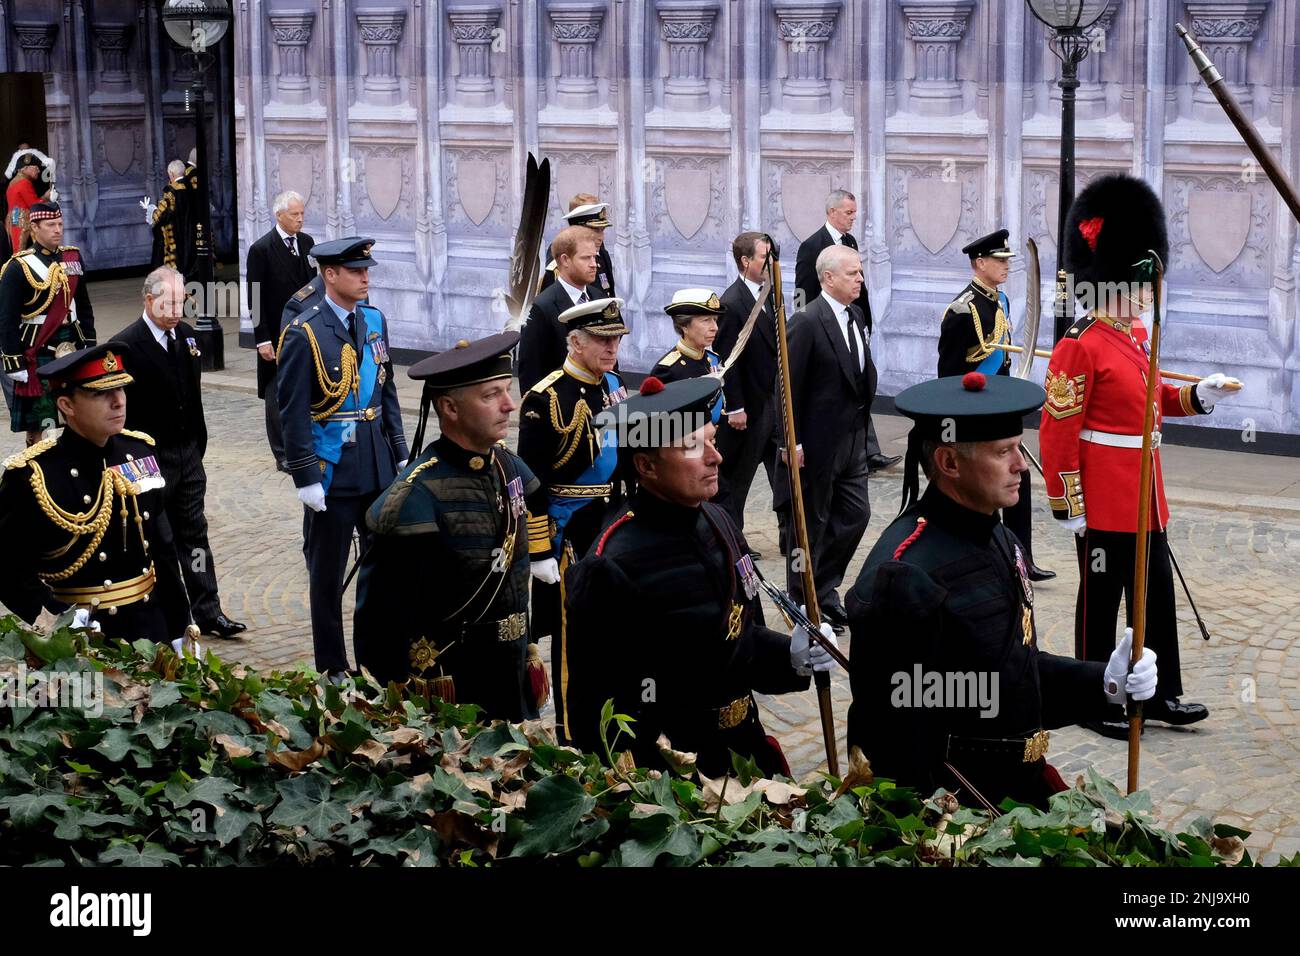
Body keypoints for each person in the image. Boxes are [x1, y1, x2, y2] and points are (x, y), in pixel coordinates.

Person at [846, 372, 1159, 809]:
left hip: (1021, 790)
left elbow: (1012, 673)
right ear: (949, 463)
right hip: (960, 811)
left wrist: (1106, 682)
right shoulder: (904, 575)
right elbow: (893, 736)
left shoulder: (1000, 538)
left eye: (1018, 447)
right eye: (1003, 452)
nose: (1022, 465)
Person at [1039, 174, 1242, 740]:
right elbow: (1057, 430)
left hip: (1146, 499)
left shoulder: (1134, 338)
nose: (1147, 293)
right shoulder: (1079, 343)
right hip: (1102, 502)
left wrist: (1199, 396)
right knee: (1099, 605)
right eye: (1139, 285)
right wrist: (1068, 502)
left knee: (1154, 597)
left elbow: (1151, 405)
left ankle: (1161, 693)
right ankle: (1093, 695)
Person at [564, 376, 837, 775]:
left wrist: (791, 655)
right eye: (694, 446)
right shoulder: (609, 565)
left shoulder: (719, 521)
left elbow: (739, 639)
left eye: (712, 439)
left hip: (745, 753)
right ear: (646, 465)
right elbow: (599, 718)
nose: (716, 457)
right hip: (675, 780)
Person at [353, 331, 550, 720]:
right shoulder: (414, 499)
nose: (510, 405)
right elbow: (378, 625)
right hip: (453, 691)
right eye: (491, 395)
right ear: (450, 408)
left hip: (511, 675)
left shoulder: (511, 469)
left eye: (507, 391)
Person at [0, 343, 198, 653]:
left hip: (150, 632)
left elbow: (163, 552)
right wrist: (60, 618)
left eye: (121, 389)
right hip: (81, 643)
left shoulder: (139, 453)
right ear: (66, 405)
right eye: (100, 394)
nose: (118, 402)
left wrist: (180, 627)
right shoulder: (32, 476)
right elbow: (9, 571)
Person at [276, 237, 408, 678]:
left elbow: (385, 392)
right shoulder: (305, 331)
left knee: (382, 571)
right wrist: (305, 476)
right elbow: (291, 410)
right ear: (329, 275)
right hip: (332, 471)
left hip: (377, 467)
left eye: (367, 269)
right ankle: (332, 663)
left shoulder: (374, 321)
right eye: (355, 271)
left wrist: (401, 453)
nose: (365, 277)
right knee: (327, 575)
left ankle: (378, 655)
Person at [516, 297, 630, 743]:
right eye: (603, 340)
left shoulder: (615, 386)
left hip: (609, 523)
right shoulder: (545, 397)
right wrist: (540, 548)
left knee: (613, 628)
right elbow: (531, 482)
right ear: (576, 342)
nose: (612, 348)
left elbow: (631, 453)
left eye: (616, 339)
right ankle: (569, 733)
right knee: (570, 637)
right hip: (567, 532)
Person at [111, 266, 247, 639]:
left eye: (180, 301)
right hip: (148, 462)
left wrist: (196, 448)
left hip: (188, 457)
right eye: (167, 302)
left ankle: (209, 609)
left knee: (195, 535)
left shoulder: (187, 338)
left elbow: (194, 398)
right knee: (157, 539)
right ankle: (163, 616)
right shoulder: (126, 346)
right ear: (148, 299)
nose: (175, 309)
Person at [937, 228, 1053, 582]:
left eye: (1007, 261)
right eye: (999, 261)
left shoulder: (998, 301)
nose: (1005, 267)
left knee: (1019, 475)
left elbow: (1003, 354)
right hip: (973, 412)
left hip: (1000, 404)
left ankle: (1022, 558)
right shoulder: (962, 309)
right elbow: (948, 373)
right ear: (980, 263)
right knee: (982, 485)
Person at [775, 244, 876, 628]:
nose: (860, 279)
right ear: (828, 278)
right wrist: (791, 441)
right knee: (810, 523)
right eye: (853, 273)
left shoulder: (856, 314)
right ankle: (801, 599)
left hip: (853, 439)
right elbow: (786, 388)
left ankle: (824, 586)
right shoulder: (807, 321)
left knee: (856, 514)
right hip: (814, 445)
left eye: (861, 272)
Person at [794, 189, 898, 474]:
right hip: (824, 327)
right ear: (832, 213)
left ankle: (867, 451)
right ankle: (865, 451)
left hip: (851, 321)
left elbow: (860, 289)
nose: (854, 218)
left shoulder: (849, 242)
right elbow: (801, 291)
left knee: (859, 384)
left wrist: (864, 322)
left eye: (855, 212)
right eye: (849, 213)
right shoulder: (812, 245)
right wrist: (804, 324)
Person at [0, 201, 97, 445]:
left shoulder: (72, 257)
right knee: (43, 424)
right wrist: (15, 362)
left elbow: (84, 307)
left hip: (72, 345)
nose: (58, 229)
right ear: (35, 227)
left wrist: (90, 345)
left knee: (79, 414)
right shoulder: (18, 267)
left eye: (60, 224)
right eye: (51, 224)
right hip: (38, 348)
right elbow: (7, 319)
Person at [713, 232, 779, 538]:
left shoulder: (770, 293)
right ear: (745, 261)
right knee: (738, 479)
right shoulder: (732, 302)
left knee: (785, 476)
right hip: (749, 408)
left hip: (773, 402)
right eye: (765, 257)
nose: (770, 263)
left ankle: (790, 536)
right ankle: (733, 539)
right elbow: (729, 360)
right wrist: (735, 407)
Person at [246, 189, 315, 471]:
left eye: (302, 214)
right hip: (276, 334)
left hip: (306, 330)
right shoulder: (261, 249)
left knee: (306, 388)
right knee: (277, 394)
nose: (300, 219)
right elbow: (255, 297)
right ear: (279, 216)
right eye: (294, 215)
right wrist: (262, 339)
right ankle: (282, 452)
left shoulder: (308, 243)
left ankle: (305, 445)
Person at [516, 225, 605, 393]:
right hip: (561, 407)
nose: (594, 265)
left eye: (595, 257)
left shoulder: (599, 298)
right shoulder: (541, 308)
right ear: (565, 260)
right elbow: (531, 372)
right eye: (586, 258)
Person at [648, 288, 725, 424]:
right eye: (706, 320)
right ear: (684, 326)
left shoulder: (713, 359)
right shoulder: (667, 370)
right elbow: (657, 426)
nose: (715, 327)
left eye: (715, 320)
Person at [537, 195, 615, 299]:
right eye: (595, 230)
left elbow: (610, 294)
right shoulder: (561, 251)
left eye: (602, 230)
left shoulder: (601, 251)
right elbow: (556, 301)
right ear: (577, 228)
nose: (601, 237)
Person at [145, 159, 188, 270]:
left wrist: (151, 210)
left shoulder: (172, 192)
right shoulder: (192, 187)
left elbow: (161, 216)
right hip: (189, 233)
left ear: (172, 174)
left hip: (175, 235)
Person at [5, 149, 49, 253]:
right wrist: (47, 197)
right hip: (23, 223)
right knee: (25, 254)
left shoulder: (14, 182)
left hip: (14, 221)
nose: (38, 170)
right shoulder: (24, 182)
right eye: (36, 167)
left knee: (17, 252)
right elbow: (35, 205)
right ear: (25, 168)